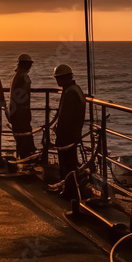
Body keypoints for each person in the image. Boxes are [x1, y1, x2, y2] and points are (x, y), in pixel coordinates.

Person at [49, 64, 87, 195]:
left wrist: (59, 132)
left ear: (63, 78)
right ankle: (69, 187)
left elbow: (66, 116)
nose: (57, 82)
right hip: (74, 133)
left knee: (67, 164)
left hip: (67, 135)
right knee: (71, 162)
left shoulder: (70, 92)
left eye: (58, 79)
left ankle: (69, 190)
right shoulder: (75, 89)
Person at [9, 54, 37, 161]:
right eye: (29, 65)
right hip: (21, 111)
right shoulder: (23, 76)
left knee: (21, 136)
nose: (30, 67)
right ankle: (27, 156)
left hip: (15, 111)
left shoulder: (16, 76)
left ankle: (24, 155)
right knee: (24, 135)